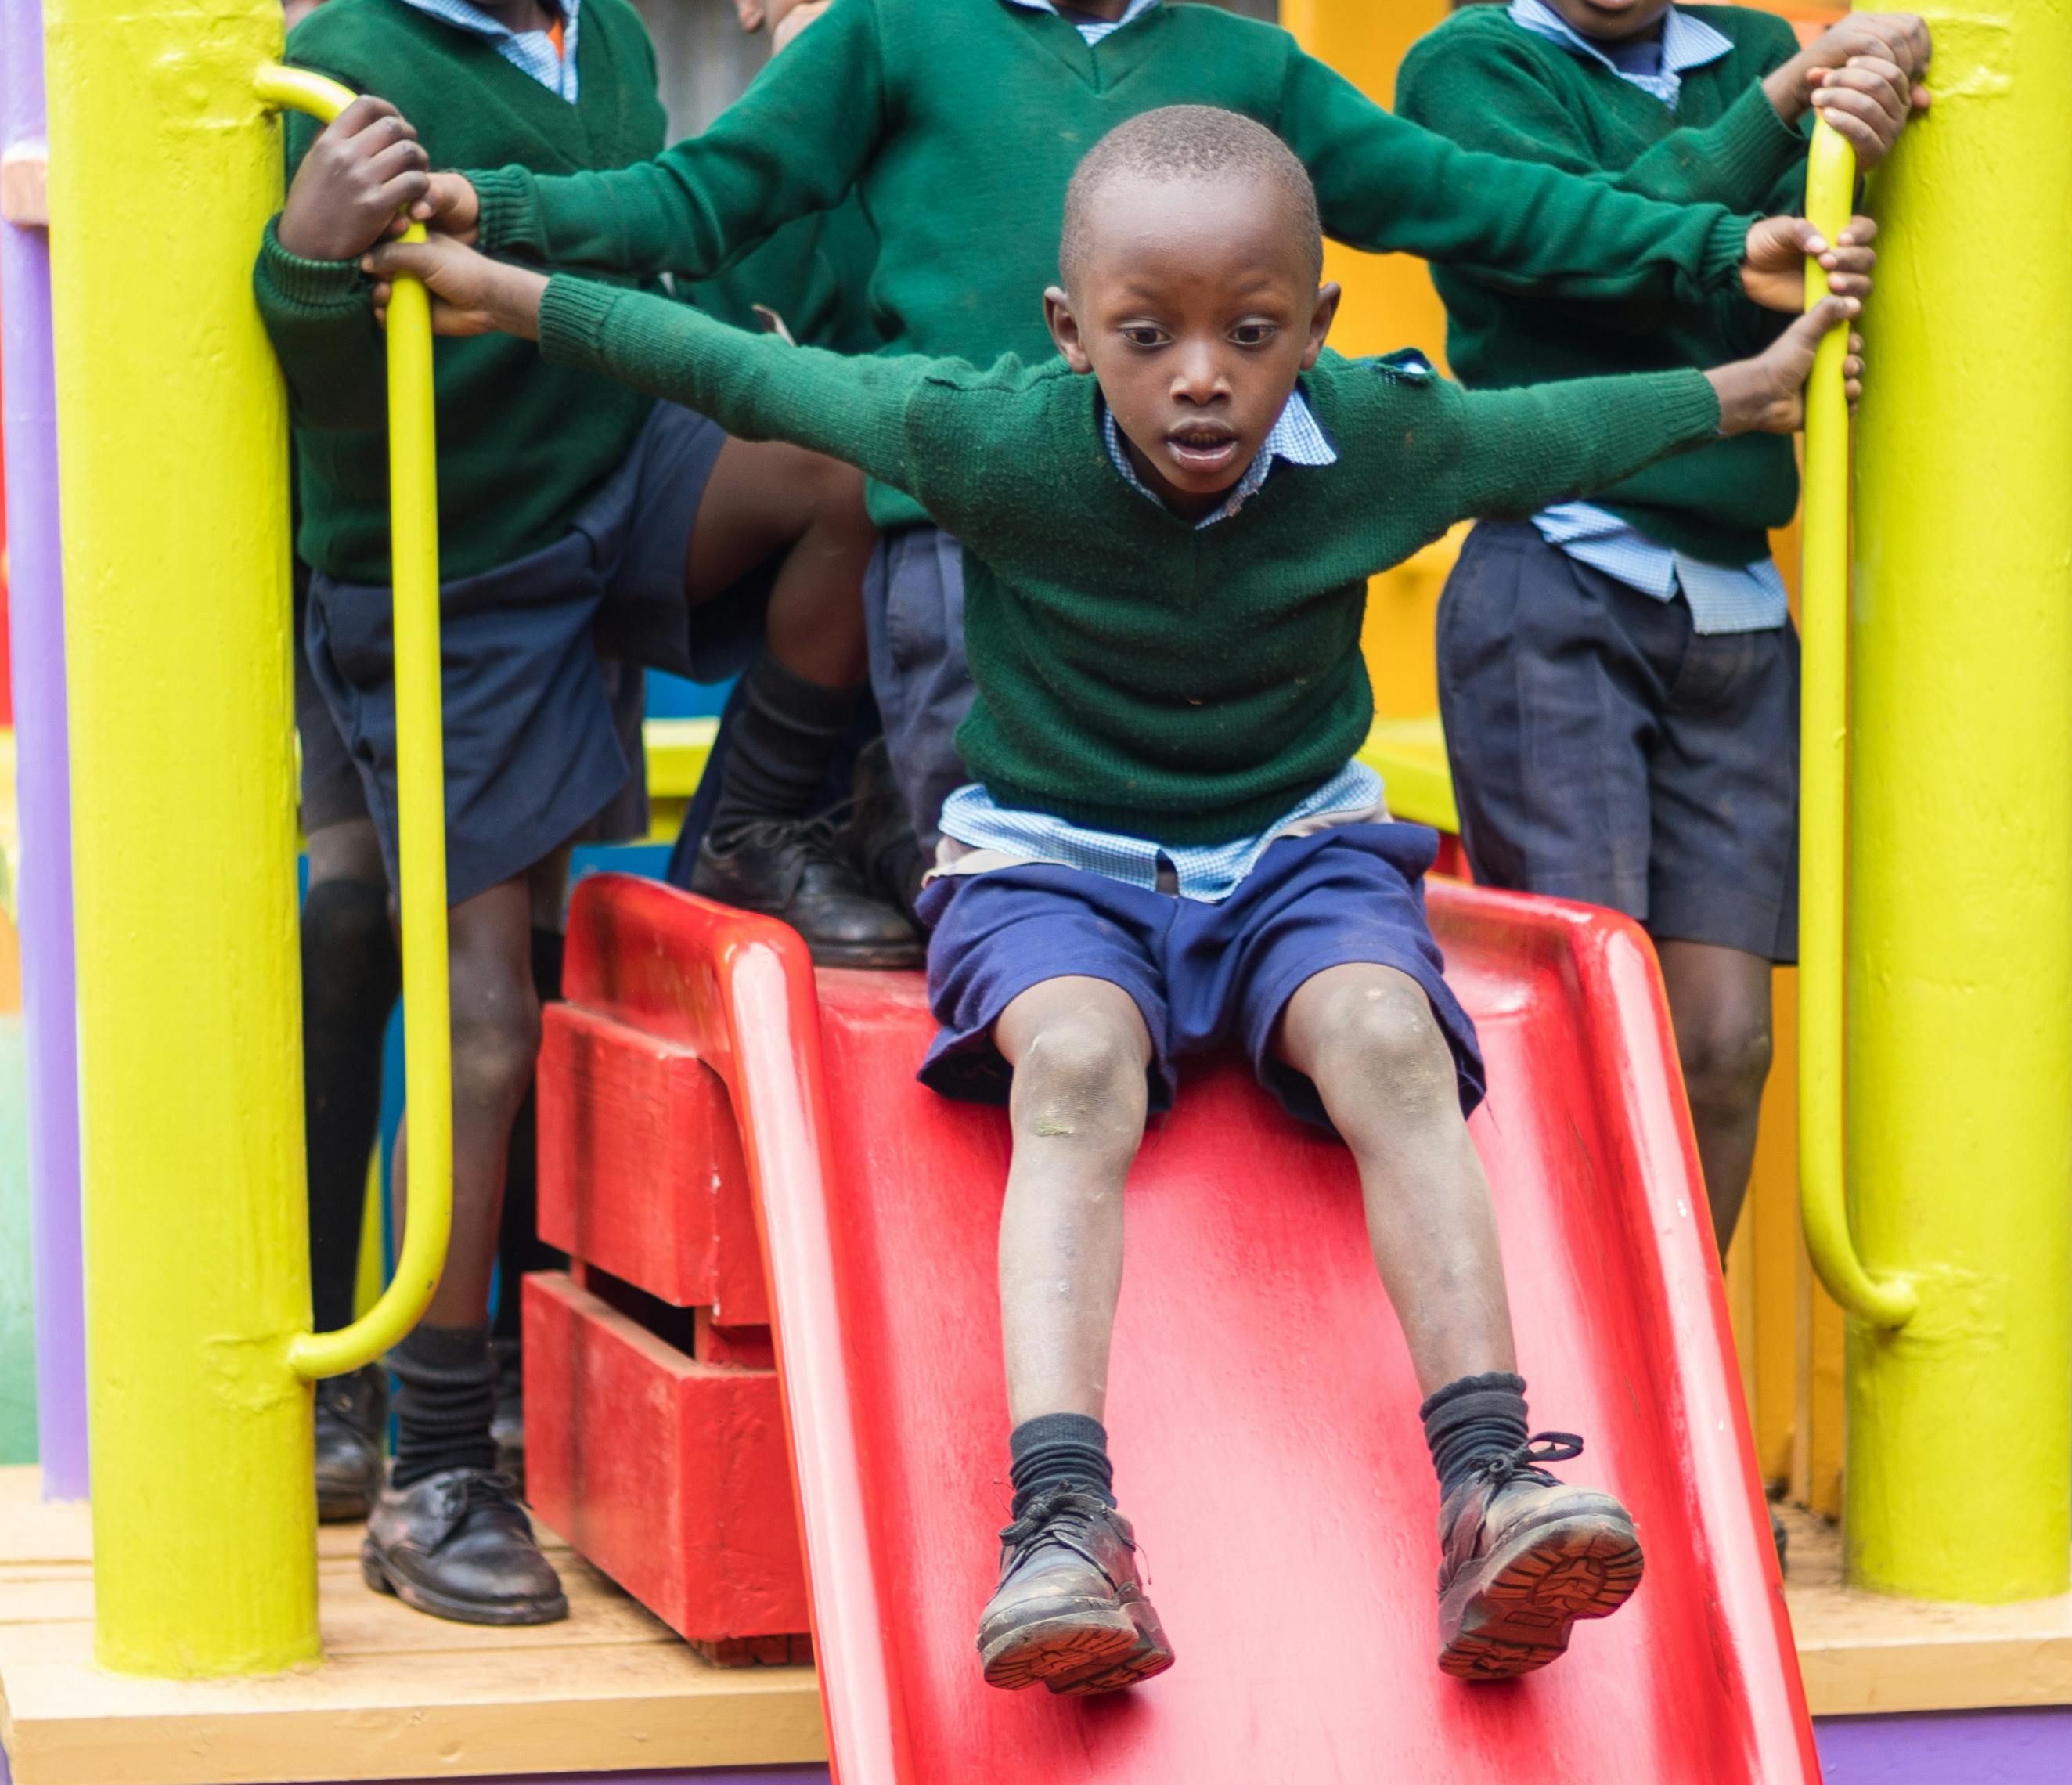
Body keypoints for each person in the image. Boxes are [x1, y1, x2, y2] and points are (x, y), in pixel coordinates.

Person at [356, 103, 1865, 1692]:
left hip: (1294, 848)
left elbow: (1554, 430)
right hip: (1053, 859)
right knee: (1073, 1070)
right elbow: (742, 373)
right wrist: (502, 287)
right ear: (1071, 332)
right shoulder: (989, 439)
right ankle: (1062, 1521)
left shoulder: (1379, 444)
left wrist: (1754, 385)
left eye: (1252, 331)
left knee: (1389, 1039)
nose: (1200, 374)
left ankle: (1490, 1476)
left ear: (1319, 327)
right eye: (1148, 335)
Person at [351, 0, 1871, 878]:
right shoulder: (899, 25)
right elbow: (701, 199)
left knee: (1201, 879)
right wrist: (508, 209)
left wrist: (1703, 247)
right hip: (966, 527)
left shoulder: (1248, 67)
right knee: (1001, 885)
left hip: (1203, 536)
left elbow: (1474, 198)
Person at [256, 0, 913, 1634]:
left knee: (847, 458)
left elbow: (653, 237)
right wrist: (306, 248)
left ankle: (757, 825)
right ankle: (440, 1447)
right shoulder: (347, 76)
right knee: (478, 1008)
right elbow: (287, 360)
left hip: (606, 491)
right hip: (451, 579)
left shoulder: (605, 31)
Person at [1396, 0, 1930, 1251]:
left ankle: (1675, 1400)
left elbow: (1790, 274)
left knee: (1722, 1043)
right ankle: (1573, 1401)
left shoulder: (1755, 59)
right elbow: (1594, 240)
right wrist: (1771, 132)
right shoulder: (1468, 75)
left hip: (1735, 613)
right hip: (1552, 589)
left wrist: (1856, 123)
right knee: (1590, 1020)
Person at [672, 0, 968, 914]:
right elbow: (722, 361)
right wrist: (807, 140)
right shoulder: (732, 179)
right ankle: (751, 835)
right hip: (794, 562)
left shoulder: (967, 167)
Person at [275, 0, 407, 1518]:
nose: (315, 27)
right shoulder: (240, 157)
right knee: (339, 924)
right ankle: (325, 1343)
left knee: (508, 958)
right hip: (324, 623)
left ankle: (492, 1365)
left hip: (487, 607)